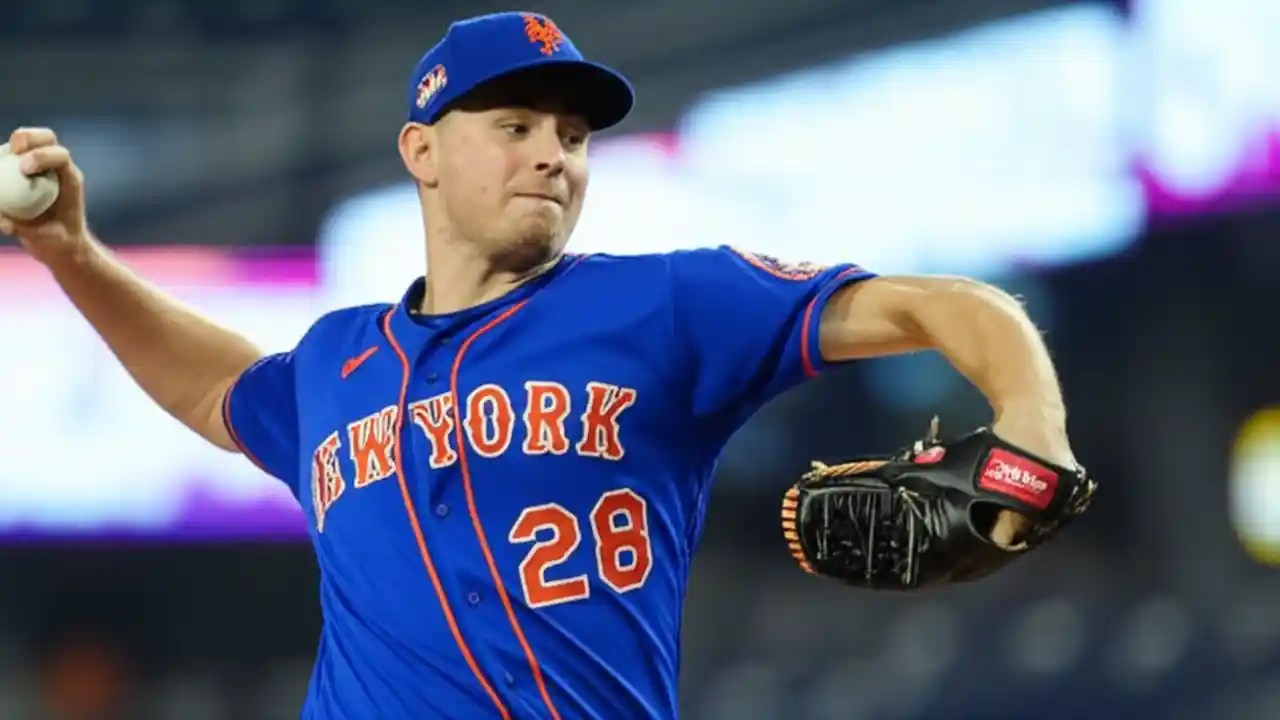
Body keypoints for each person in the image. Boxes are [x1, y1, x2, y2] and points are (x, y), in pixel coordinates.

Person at [1, 11, 1080, 720]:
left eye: (569, 134)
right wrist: (73, 255)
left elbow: (943, 305)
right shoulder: (335, 363)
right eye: (513, 124)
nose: (552, 153)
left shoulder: (662, 304)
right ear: (419, 151)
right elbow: (205, 383)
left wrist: (1032, 427)